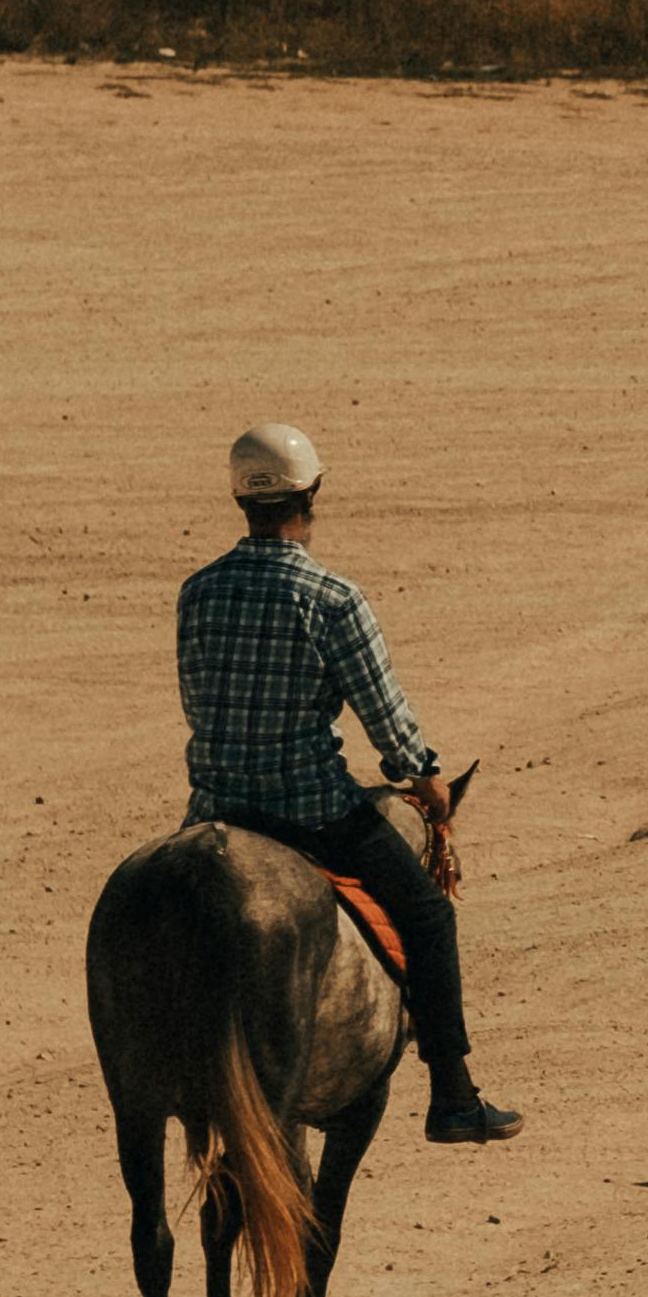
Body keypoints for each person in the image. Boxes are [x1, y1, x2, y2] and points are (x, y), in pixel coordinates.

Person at [178, 422, 521, 1138]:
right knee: (429, 917)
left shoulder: (198, 591)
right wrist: (422, 777)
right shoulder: (332, 597)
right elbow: (385, 718)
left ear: (241, 501)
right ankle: (454, 1095)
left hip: (212, 812)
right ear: (313, 495)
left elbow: (198, 699)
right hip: (310, 811)